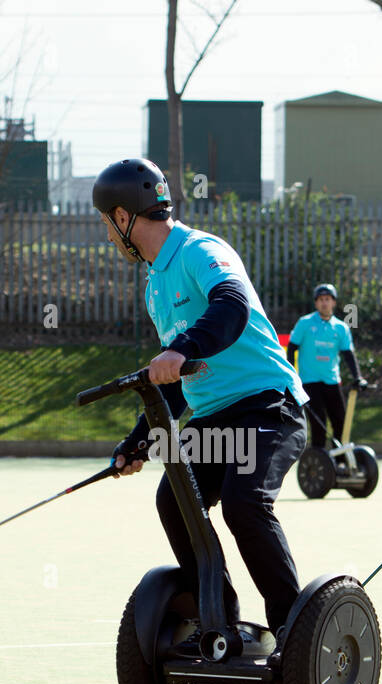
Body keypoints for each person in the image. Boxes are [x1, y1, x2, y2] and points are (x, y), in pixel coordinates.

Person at [93, 157, 309, 633]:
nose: (108, 235)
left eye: (108, 224)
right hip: (214, 418)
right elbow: (174, 381)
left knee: (244, 503)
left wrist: (182, 347)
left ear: (124, 217)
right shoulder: (154, 286)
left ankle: (294, 632)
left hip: (268, 407)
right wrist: (138, 442)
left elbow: (231, 305)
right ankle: (221, 624)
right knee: (175, 499)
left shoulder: (198, 249)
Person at [286, 283, 367, 447]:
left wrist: (358, 377)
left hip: (332, 380)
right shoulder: (305, 323)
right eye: (321, 299)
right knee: (319, 423)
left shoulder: (341, 327)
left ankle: (340, 461)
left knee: (341, 422)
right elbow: (292, 348)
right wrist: (290, 374)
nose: (324, 303)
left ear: (334, 302)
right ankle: (319, 461)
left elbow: (348, 354)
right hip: (309, 381)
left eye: (328, 299)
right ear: (316, 303)